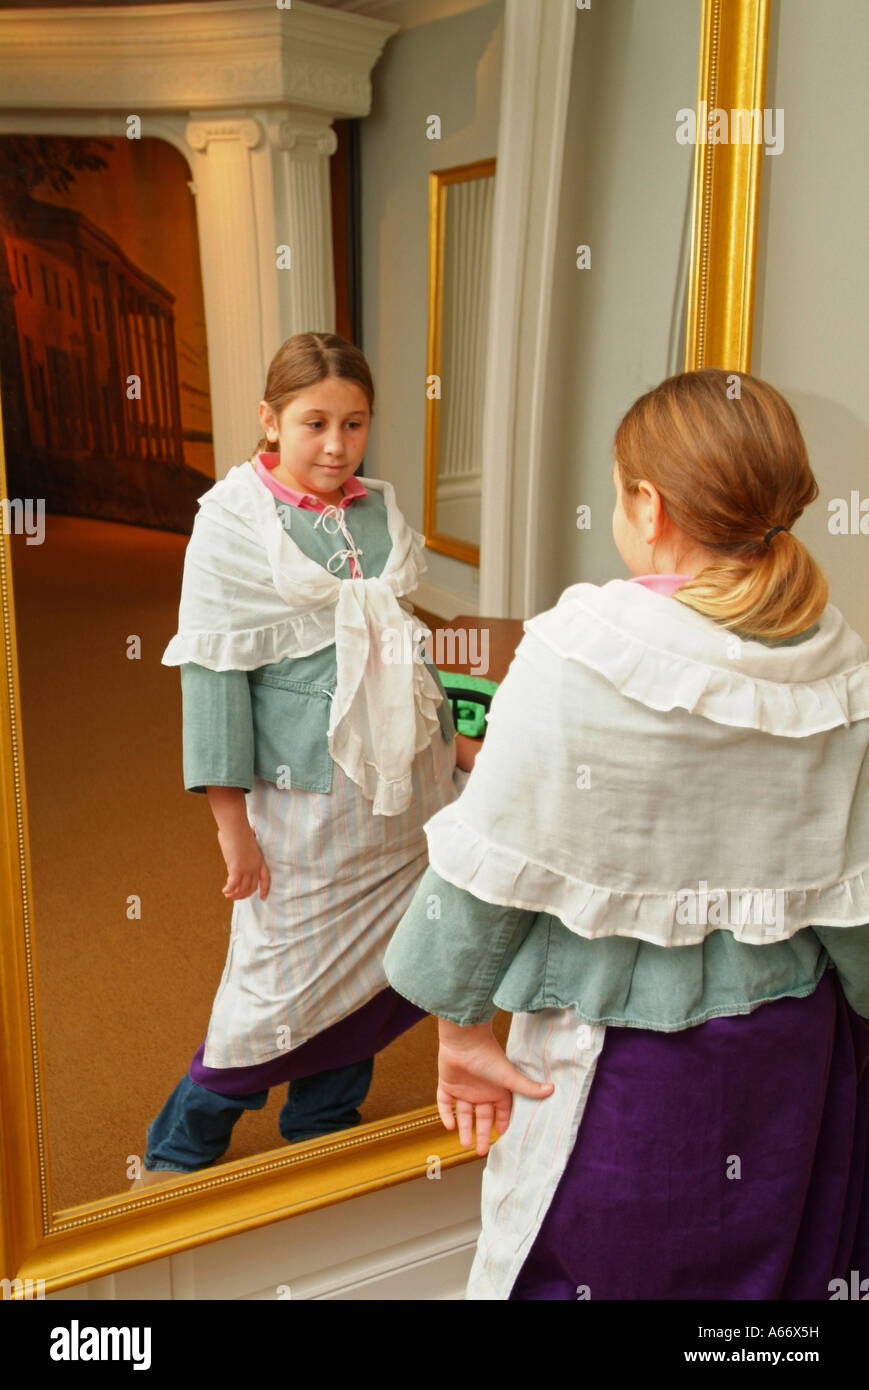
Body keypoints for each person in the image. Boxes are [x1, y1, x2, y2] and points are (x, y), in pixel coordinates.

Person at [383, 368, 869, 1300]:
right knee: (769, 1270)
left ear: (646, 505)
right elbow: (851, 890)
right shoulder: (839, 663)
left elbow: (490, 868)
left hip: (624, 1061)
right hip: (788, 1045)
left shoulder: (581, 654)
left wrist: (460, 1033)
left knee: (597, 1265)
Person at [134, 332, 471, 1185]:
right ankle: (180, 1148)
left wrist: (452, 740)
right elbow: (212, 680)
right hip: (304, 798)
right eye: (313, 422)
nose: (334, 445)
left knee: (374, 969)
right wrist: (231, 827)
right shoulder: (232, 525)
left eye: (353, 424)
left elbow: (399, 644)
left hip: (403, 794)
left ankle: (323, 1126)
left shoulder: (376, 510)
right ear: (269, 420)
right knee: (274, 984)